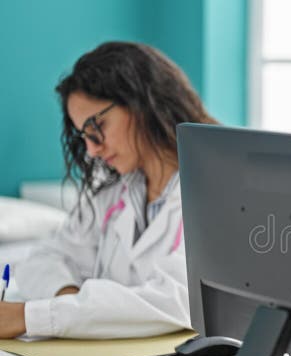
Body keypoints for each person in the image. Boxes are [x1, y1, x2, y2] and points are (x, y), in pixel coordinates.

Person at [0, 42, 216, 339]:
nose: (91, 149)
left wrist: (33, 317)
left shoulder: (214, 190)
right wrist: (71, 303)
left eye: (97, 126)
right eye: (84, 136)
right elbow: (42, 260)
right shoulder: (115, 193)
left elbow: (176, 299)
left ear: (143, 101)